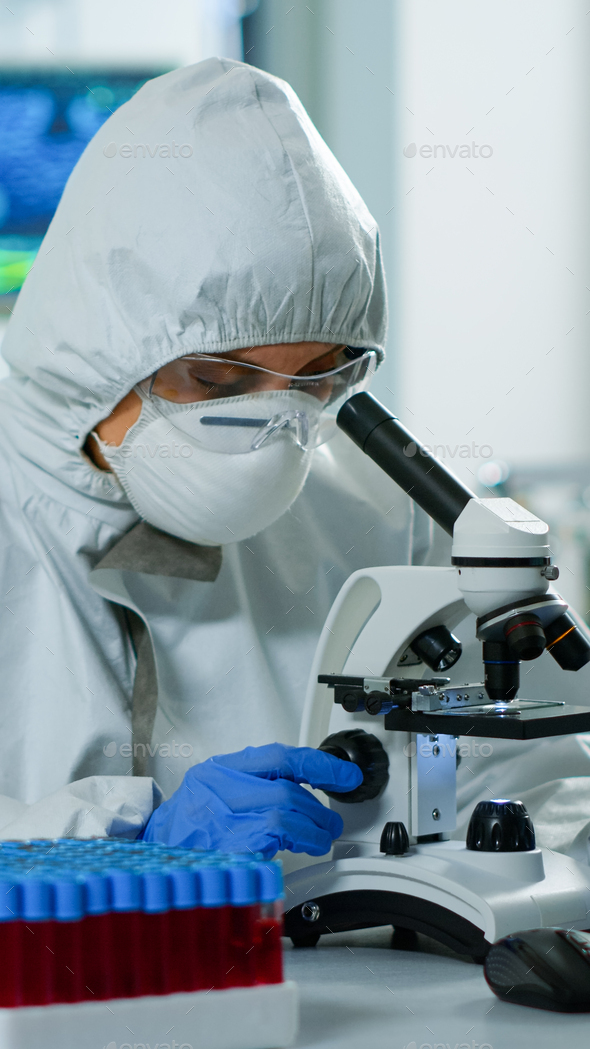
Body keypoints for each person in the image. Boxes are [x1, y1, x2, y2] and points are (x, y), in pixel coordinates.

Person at [0, 58, 429, 851]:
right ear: (96, 341)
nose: (269, 433)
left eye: (312, 380)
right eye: (217, 379)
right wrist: (125, 846)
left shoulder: (382, 514)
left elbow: (545, 792)